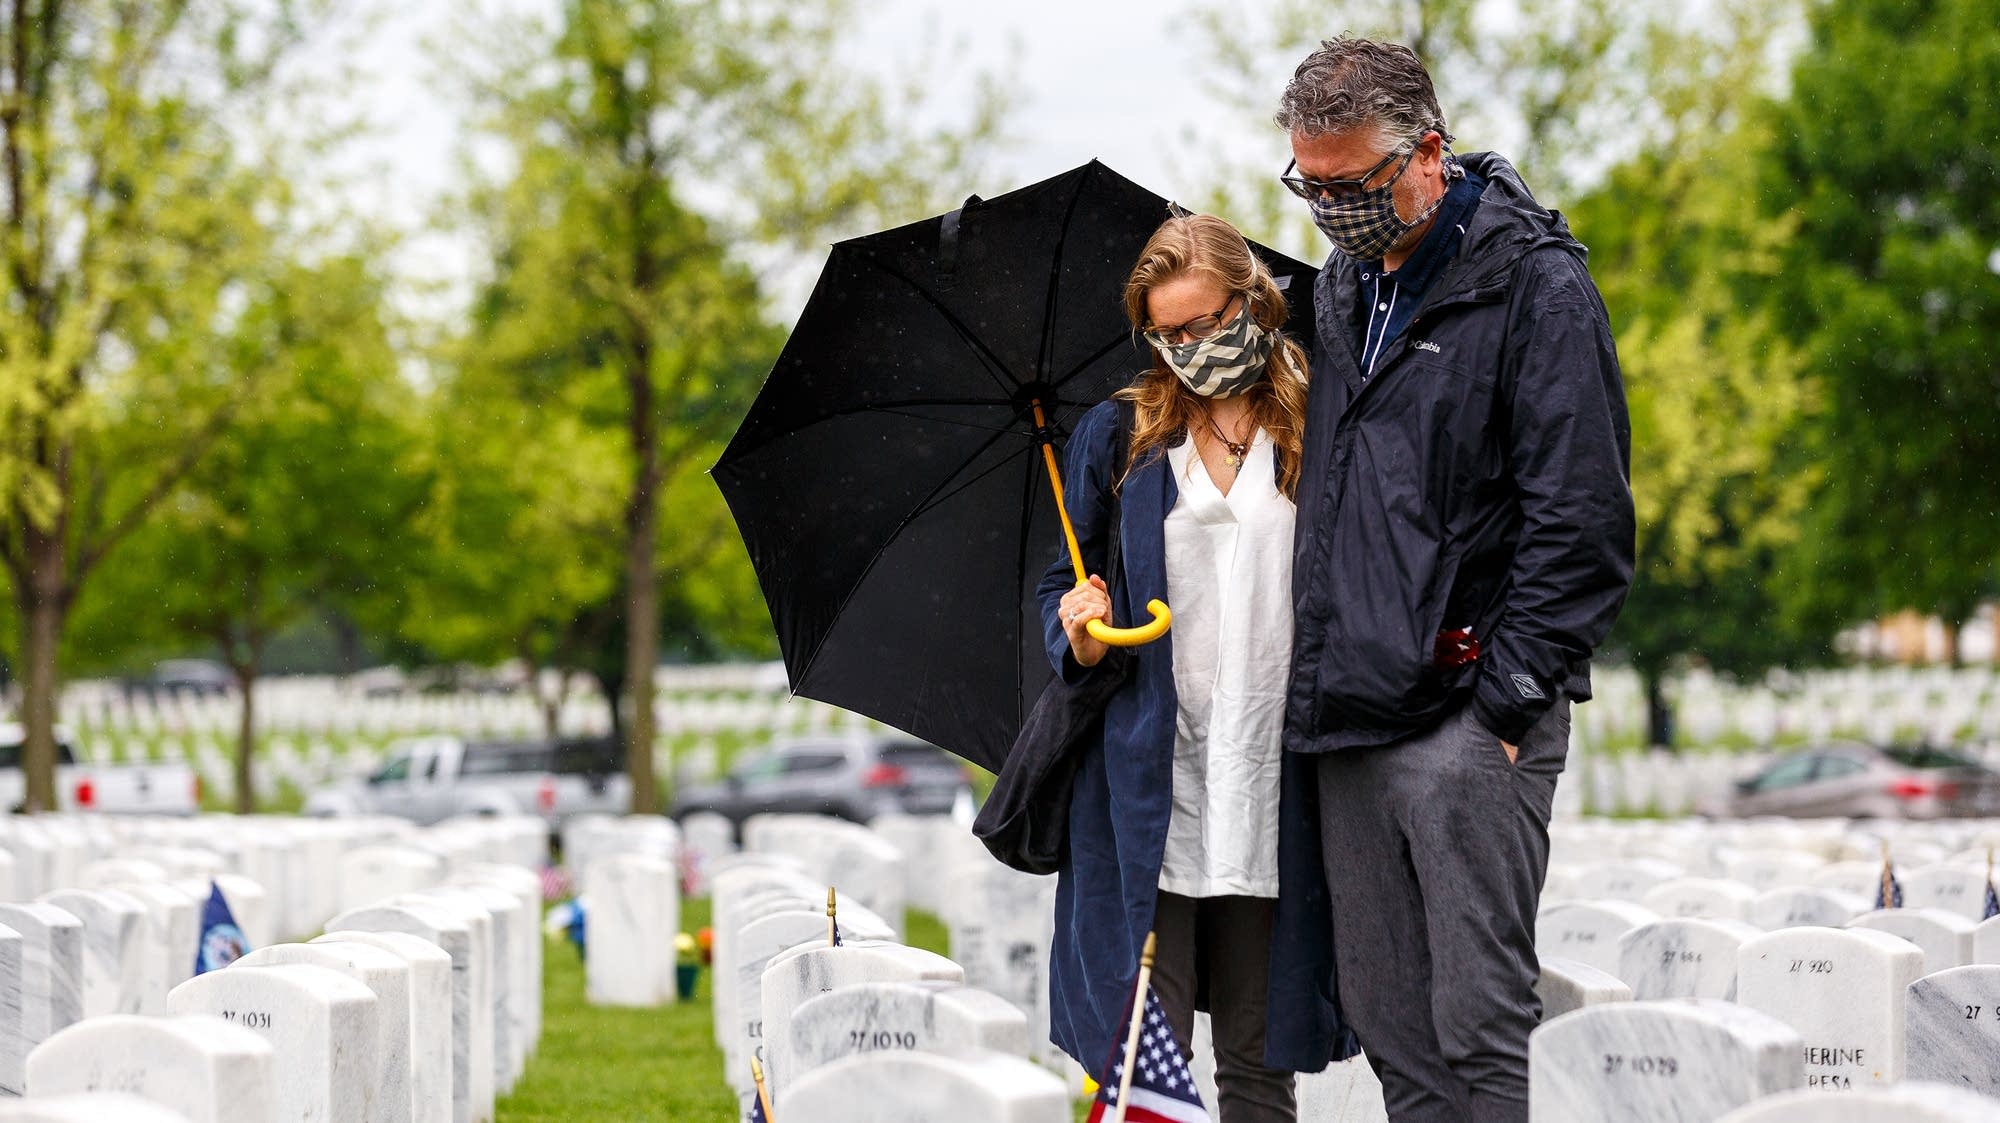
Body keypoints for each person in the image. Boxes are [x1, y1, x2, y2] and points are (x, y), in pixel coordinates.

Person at [1273, 36, 1636, 1123]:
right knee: (1389, 1028)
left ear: (1426, 153)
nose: (1331, 211)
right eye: (1310, 186)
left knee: (1478, 1025)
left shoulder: (1533, 287)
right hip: (1346, 718)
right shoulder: (1340, 293)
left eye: (1352, 186)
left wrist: (1506, 705)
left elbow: (1579, 515)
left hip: (1466, 717)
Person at [1036, 213, 1354, 1123]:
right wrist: (1082, 627)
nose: (1187, 349)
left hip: (1272, 780)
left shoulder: (1322, 420)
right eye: (1166, 334)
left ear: (1251, 303)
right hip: (1152, 787)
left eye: (1204, 325)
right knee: (1147, 1064)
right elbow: (1065, 591)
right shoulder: (1122, 437)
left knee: (1258, 1063)